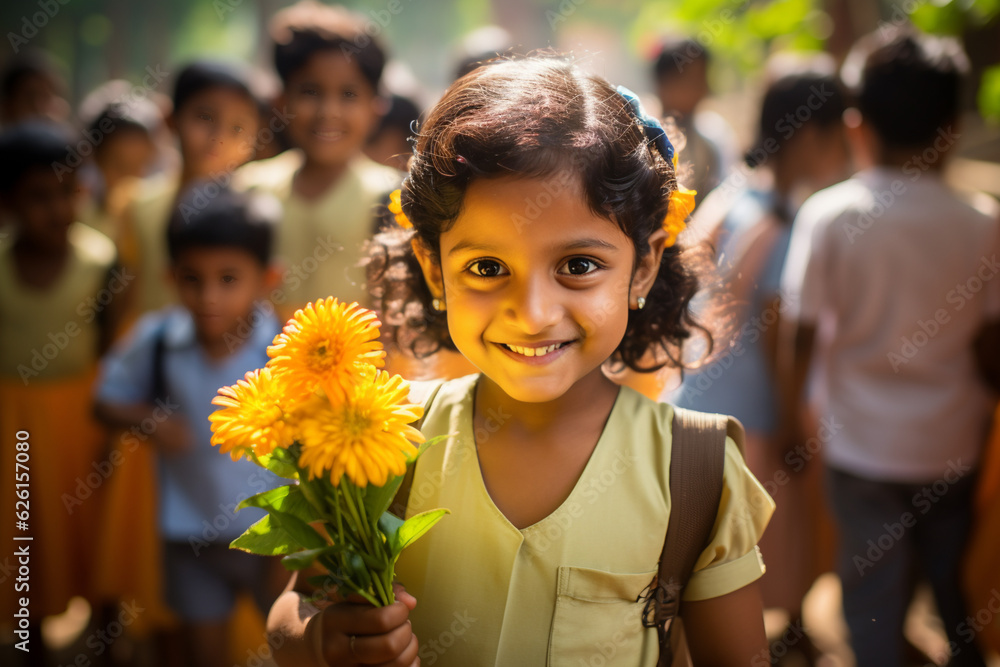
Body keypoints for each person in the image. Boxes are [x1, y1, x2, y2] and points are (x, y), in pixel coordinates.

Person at [267, 56, 775, 667]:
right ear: (435, 270)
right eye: (486, 268)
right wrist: (322, 640)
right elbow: (295, 608)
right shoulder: (383, 439)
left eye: (579, 266)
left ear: (643, 266)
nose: (533, 313)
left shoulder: (697, 472)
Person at [781, 28, 1000, 667]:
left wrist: (800, 425)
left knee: (870, 593)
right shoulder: (983, 223)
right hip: (952, 447)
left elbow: (799, 334)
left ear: (856, 126)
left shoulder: (828, 216)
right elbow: (991, 345)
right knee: (951, 580)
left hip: (857, 447)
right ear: (953, 129)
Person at [666, 57, 848, 660]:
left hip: (699, 394)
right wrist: (797, 416)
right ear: (808, 136)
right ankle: (779, 630)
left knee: (704, 535)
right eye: (836, 134)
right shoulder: (787, 223)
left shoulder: (736, 197)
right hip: (754, 415)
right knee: (772, 533)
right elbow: (779, 336)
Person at [93, 187, 286, 667]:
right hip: (190, 540)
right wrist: (148, 419)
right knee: (205, 655)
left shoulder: (288, 351)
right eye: (192, 279)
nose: (208, 297)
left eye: (228, 279)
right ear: (170, 277)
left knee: (291, 649)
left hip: (279, 542)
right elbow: (102, 402)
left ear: (267, 279)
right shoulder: (157, 340)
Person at [0, 121, 123, 654]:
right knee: (23, 532)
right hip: (13, 428)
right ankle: (30, 642)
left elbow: (113, 351)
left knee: (93, 531)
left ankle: (106, 640)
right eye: (38, 197)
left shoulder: (101, 263)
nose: (57, 209)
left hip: (84, 421)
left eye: (69, 192)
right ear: (7, 202)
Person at [234, 0, 400, 316]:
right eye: (311, 92)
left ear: (375, 108)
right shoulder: (247, 190)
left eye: (349, 94)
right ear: (281, 101)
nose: (329, 113)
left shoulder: (393, 199)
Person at [121, 60, 263, 319]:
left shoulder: (258, 207)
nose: (219, 137)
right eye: (205, 117)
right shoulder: (138, 206)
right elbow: (126, 300)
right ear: (170, 119)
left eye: (237, 127)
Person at [651, 37, 737, 206]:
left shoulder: (711, 142)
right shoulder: (641, 139)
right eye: (692, 80)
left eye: (703, 79)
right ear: (663, 83)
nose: (703, 89)